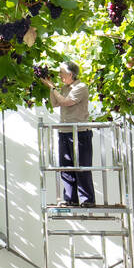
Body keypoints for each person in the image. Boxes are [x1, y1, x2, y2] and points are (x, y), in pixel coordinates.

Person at [42, 61, 94, 206]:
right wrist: (52, 88)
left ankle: (87, 200)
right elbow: (55, 103)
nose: (59, 75)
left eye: (61, 73)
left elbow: (65, 102)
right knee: (66, 167)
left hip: (80, 132)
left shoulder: (80, 87)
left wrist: (52, 88)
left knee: (82, 167)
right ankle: (70, 199)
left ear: (70, 74)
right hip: (65, 131)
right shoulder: (64, 88)